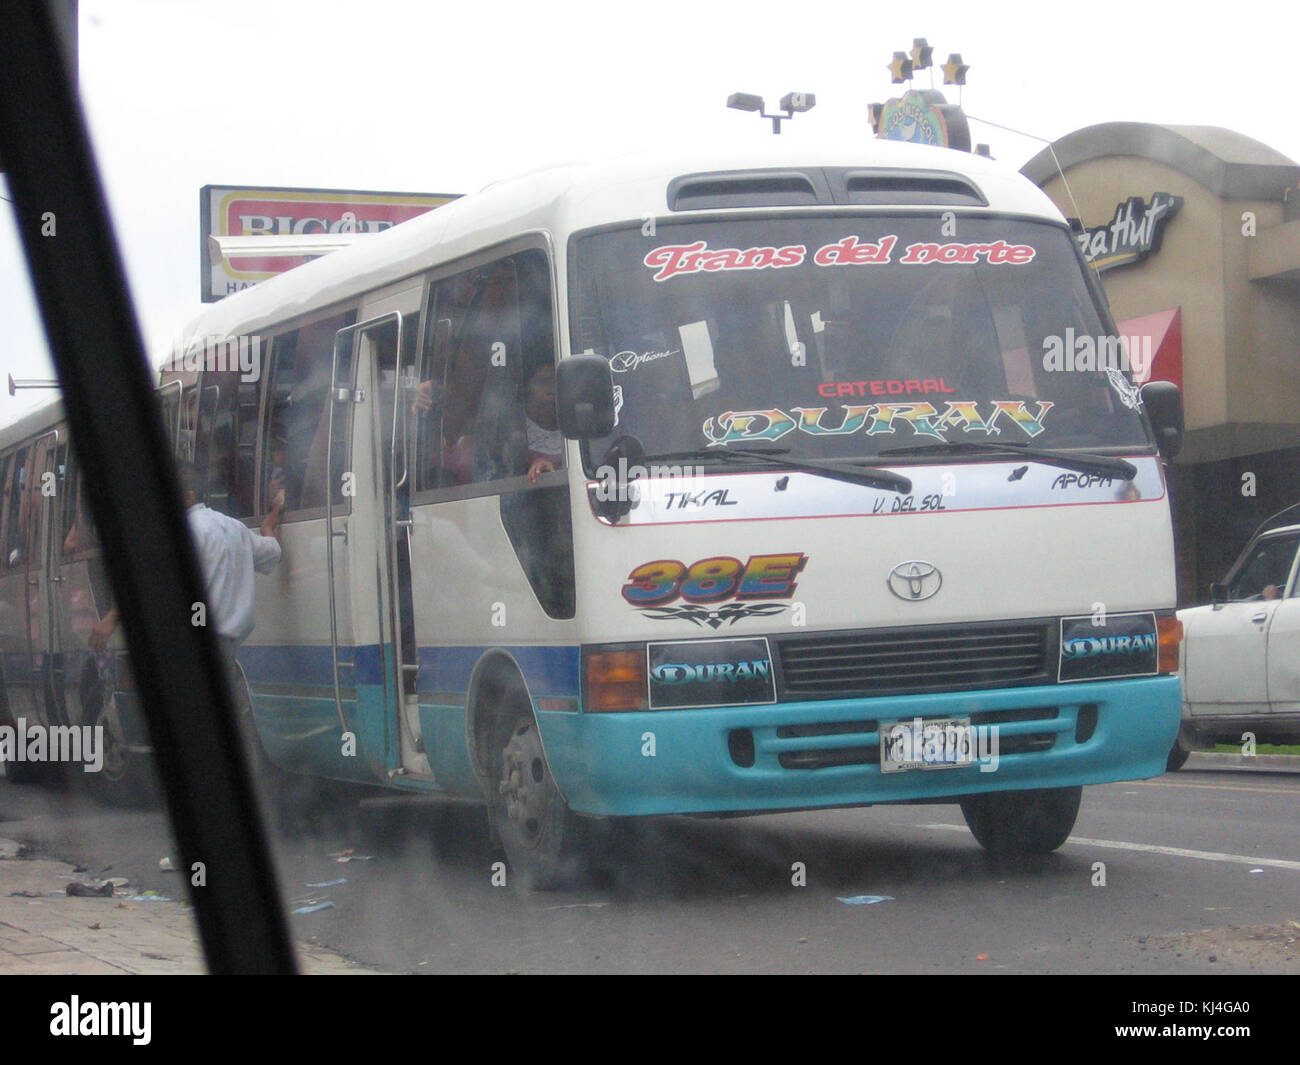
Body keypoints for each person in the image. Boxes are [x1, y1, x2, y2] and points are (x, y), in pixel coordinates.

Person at [90, 463, 284, 673]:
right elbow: (273, 553)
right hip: (227, 648)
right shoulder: (234, 527)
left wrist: (111, 618)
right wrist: (268, 528)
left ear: (188, 496)